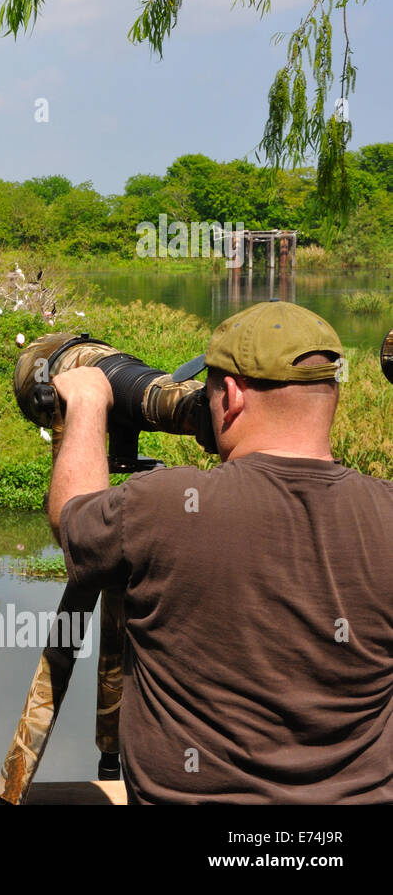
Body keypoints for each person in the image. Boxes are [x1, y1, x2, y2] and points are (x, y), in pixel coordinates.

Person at [47, 300, 393, 803]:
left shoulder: (160, 507)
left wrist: (86, 407)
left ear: (230, 395)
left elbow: (72, 518)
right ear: (332, 394)